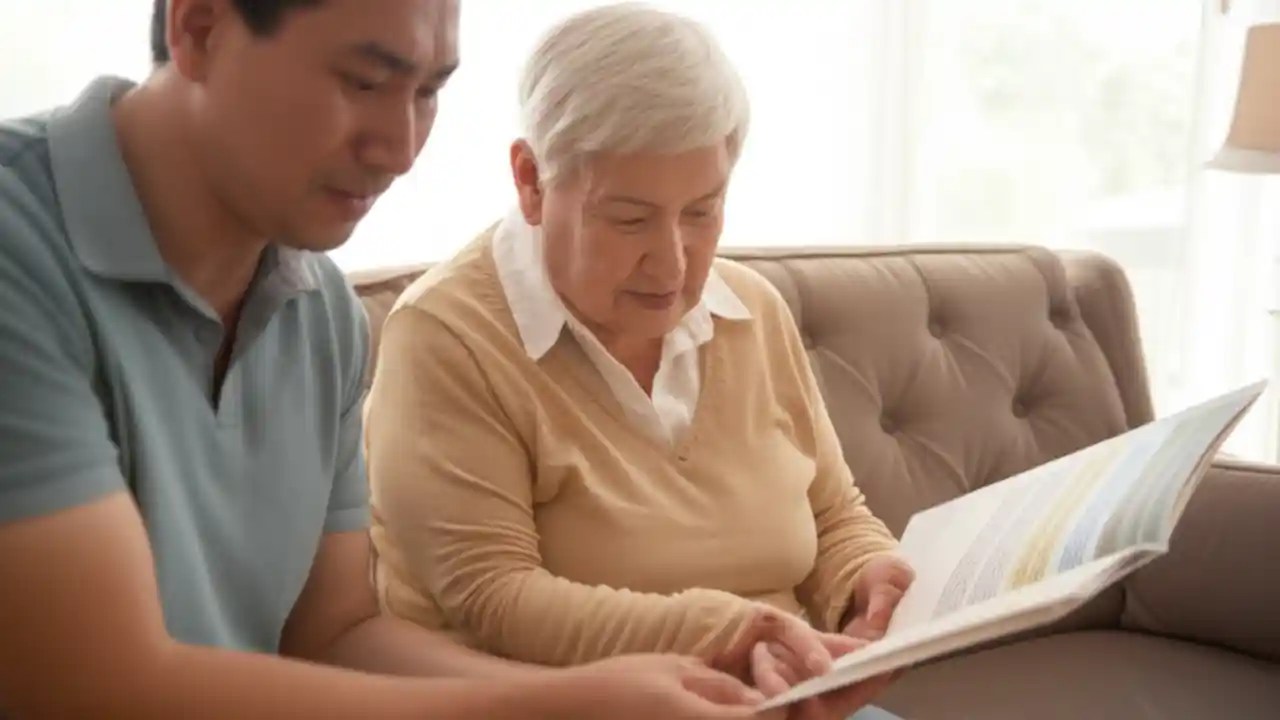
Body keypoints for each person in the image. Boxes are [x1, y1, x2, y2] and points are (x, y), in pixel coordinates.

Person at [0, 1, 789, 717]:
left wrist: (628, 691)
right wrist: (563, 709)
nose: (401, 148)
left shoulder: (321, 314)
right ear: (201, 28)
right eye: (365, 81)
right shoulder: (19, 250)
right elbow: (95, 685)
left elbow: (338, 635)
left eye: (427, 93)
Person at [364, 3, 917, 719]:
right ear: (530, 180)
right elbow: (492, 599)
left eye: (702, 212)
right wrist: (727, 633)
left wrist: (867, 578)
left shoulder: (751, 313)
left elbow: (834, 512)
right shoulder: (446, 337)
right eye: (629, 219)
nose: (672, 262)